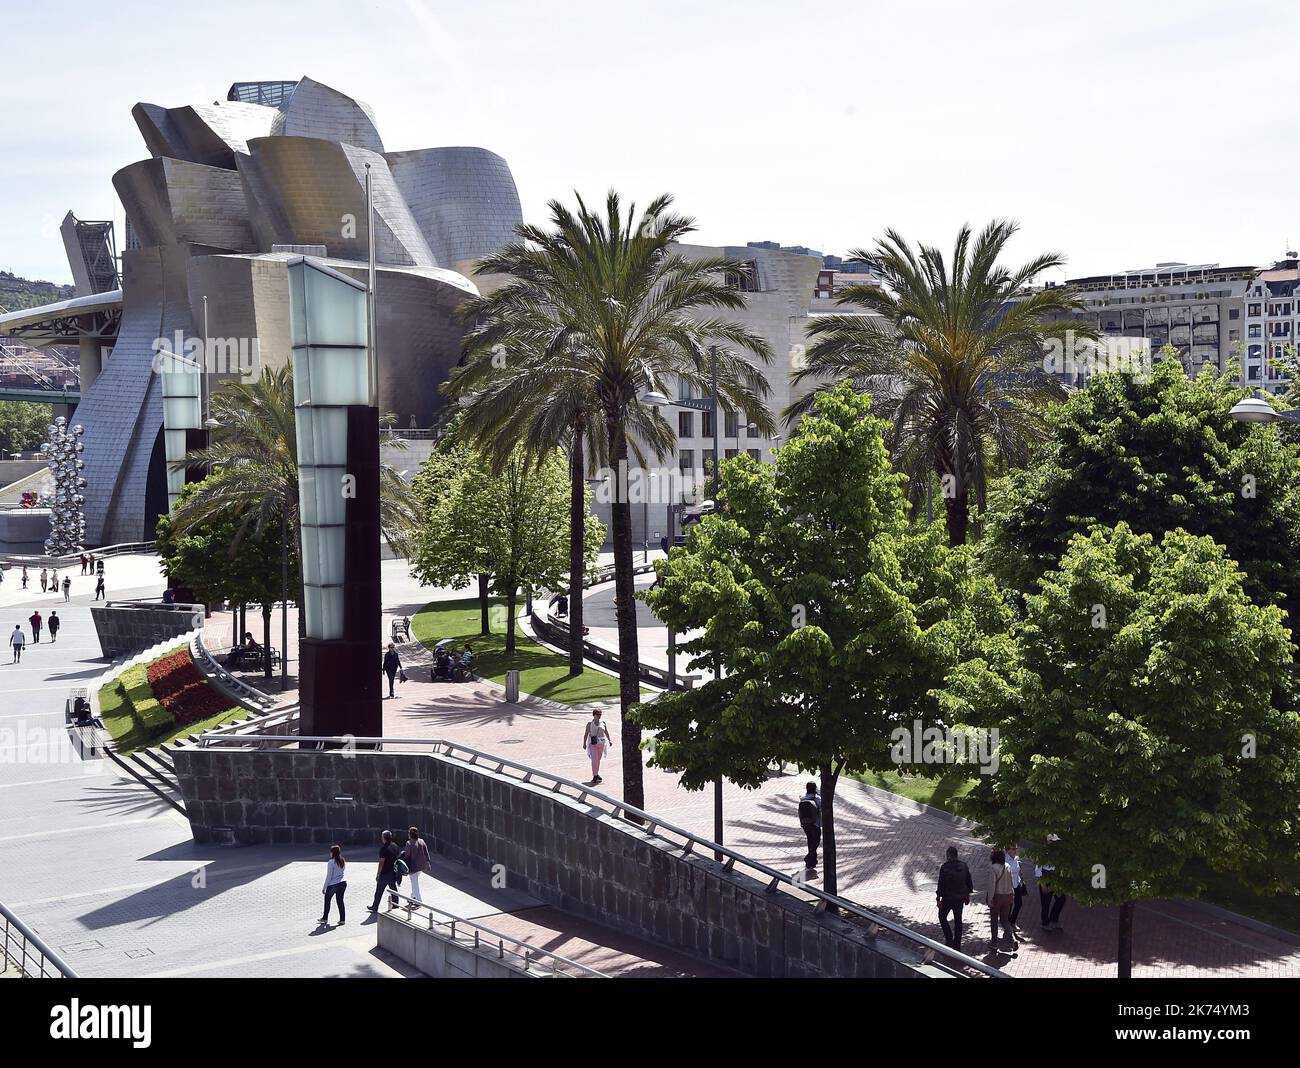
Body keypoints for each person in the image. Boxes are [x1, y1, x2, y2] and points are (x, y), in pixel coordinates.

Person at [936, 845, 973, 951]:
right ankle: (957, 945)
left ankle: (949, 938)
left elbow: (941, 884)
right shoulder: (964, 866)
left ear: (948, 855)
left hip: (948, 898)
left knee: (942, 917)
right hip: (960, 899)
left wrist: (938, 898)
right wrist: (968, 894)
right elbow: (969, 882)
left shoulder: (945, 867)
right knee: (958, 921)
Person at [988, 848, 1018, 951]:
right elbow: (1011, 882)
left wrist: (990, 899)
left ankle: (994, 943)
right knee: (1005, 921)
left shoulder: (993, 868)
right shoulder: (1008, 866)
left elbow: (991, 885)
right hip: (1008, 896)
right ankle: (1012, 939)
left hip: (998, 897)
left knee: (994, 920)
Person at [367, 830, 400, 913]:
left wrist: (378, 874)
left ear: (384, 838)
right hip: (393, 872)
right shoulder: (395, 846)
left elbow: (381, 862)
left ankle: (375, 907)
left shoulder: (383, 848)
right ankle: (396, 905)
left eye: (382, 837)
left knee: (379, 891)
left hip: (385, 873)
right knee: (393, 890)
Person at [798, 781, 822, 879]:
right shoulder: (817, 799)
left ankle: (812, 861)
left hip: (805, 823)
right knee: (816, 841)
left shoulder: (802, 797)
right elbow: (821, 809)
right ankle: (809, 859)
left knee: (810, 840)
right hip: (815, 824)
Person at [401, 827, 432, 903]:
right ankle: (413, 897)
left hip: (413, 867)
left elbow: (407, 856)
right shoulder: (421, 841)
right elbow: (426, 852)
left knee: (415, 883)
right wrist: (428, 863)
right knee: (414, 881)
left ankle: (418, 900)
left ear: (410, 835)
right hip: (421, 866)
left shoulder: (409, 843)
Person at [319, 845, 347, 925]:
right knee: (340, 901)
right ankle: (342, 919)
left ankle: (325, 918)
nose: (330, 853)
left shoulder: (331, 862)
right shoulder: (342, 860)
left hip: (333, 884)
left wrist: (324, 887)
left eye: (330, 852)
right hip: (343, 883)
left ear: (332, 853)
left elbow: (329, 876)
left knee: (327, 900)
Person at [1036, 859, 1068, 932]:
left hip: (1057, 876)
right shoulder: (1043, 851)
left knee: (1061, 898)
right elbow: (1038, 868)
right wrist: (1042, 884)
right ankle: (1045, 922)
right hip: (1045, 876)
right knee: (1046, 902)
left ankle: (1053, 919)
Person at [582, 706, 611, 784]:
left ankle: (596, 774)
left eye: (600, 714)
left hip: (601, 744)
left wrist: (609, 740)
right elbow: (586, 734)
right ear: (594, 715)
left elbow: (606, 732)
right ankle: (594, 775)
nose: (599, 715)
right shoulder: (589, 724)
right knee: (594, 760)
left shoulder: (603, 723)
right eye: (598, 714)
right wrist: (584, 743)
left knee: (598, 760)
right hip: (593, 744)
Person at [1006, 844, 1026, 930]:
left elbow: (1018, 872)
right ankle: (1007, 923)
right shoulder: (1005, 860)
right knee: (1009, 905)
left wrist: (1021, 881)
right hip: (1009, 885)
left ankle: (1012, 921)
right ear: (1008, 850)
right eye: (1013, 848)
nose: (1015, 850)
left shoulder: (1016, 859)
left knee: (1019, 903)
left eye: (1016, 848)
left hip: (1017, 884)